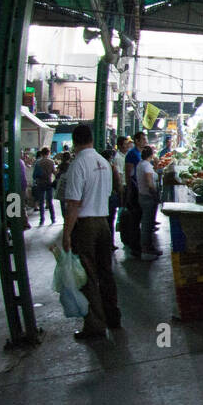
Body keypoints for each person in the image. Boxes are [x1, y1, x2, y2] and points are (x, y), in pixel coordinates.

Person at [61, 124, 120, 340]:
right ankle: (113, 317)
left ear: (75, 142)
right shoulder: (104, 163)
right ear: (92, 140)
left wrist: (66, 233)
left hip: (86, 225)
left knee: (87, 275)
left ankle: (95, 325)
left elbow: (74, 204)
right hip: (104, 223)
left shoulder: (78, 165)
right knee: (106, 272)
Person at [120, 132, 144, 256]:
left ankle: (138, 244)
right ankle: (135, 246)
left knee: (138, 217)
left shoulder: (140, 153)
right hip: (134, 190)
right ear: (137, 140)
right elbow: (129, 174)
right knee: (134, 218)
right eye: (142, 139)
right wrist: (130, 190)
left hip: (140, 189)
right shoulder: (132, 154)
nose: (145, 141)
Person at [136, 145, 162, 257]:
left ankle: (147, 247)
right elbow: (150, 183)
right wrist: (155, 195)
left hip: (142, 196)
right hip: (148, 198)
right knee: (147, 224)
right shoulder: (146, 166)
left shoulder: (141, 164)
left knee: (147, 223)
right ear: (151, 155)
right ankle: (146, 249)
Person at [32, 148, 57, 225]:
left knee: (41, 202)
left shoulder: (38, 163)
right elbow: (55, 173)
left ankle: (42, 220)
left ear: (42, 153)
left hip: (40, 183)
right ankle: (53, 218)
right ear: (48, 153)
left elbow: (34, 175)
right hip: (48, 183)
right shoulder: (51, 162)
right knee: (50, 202)